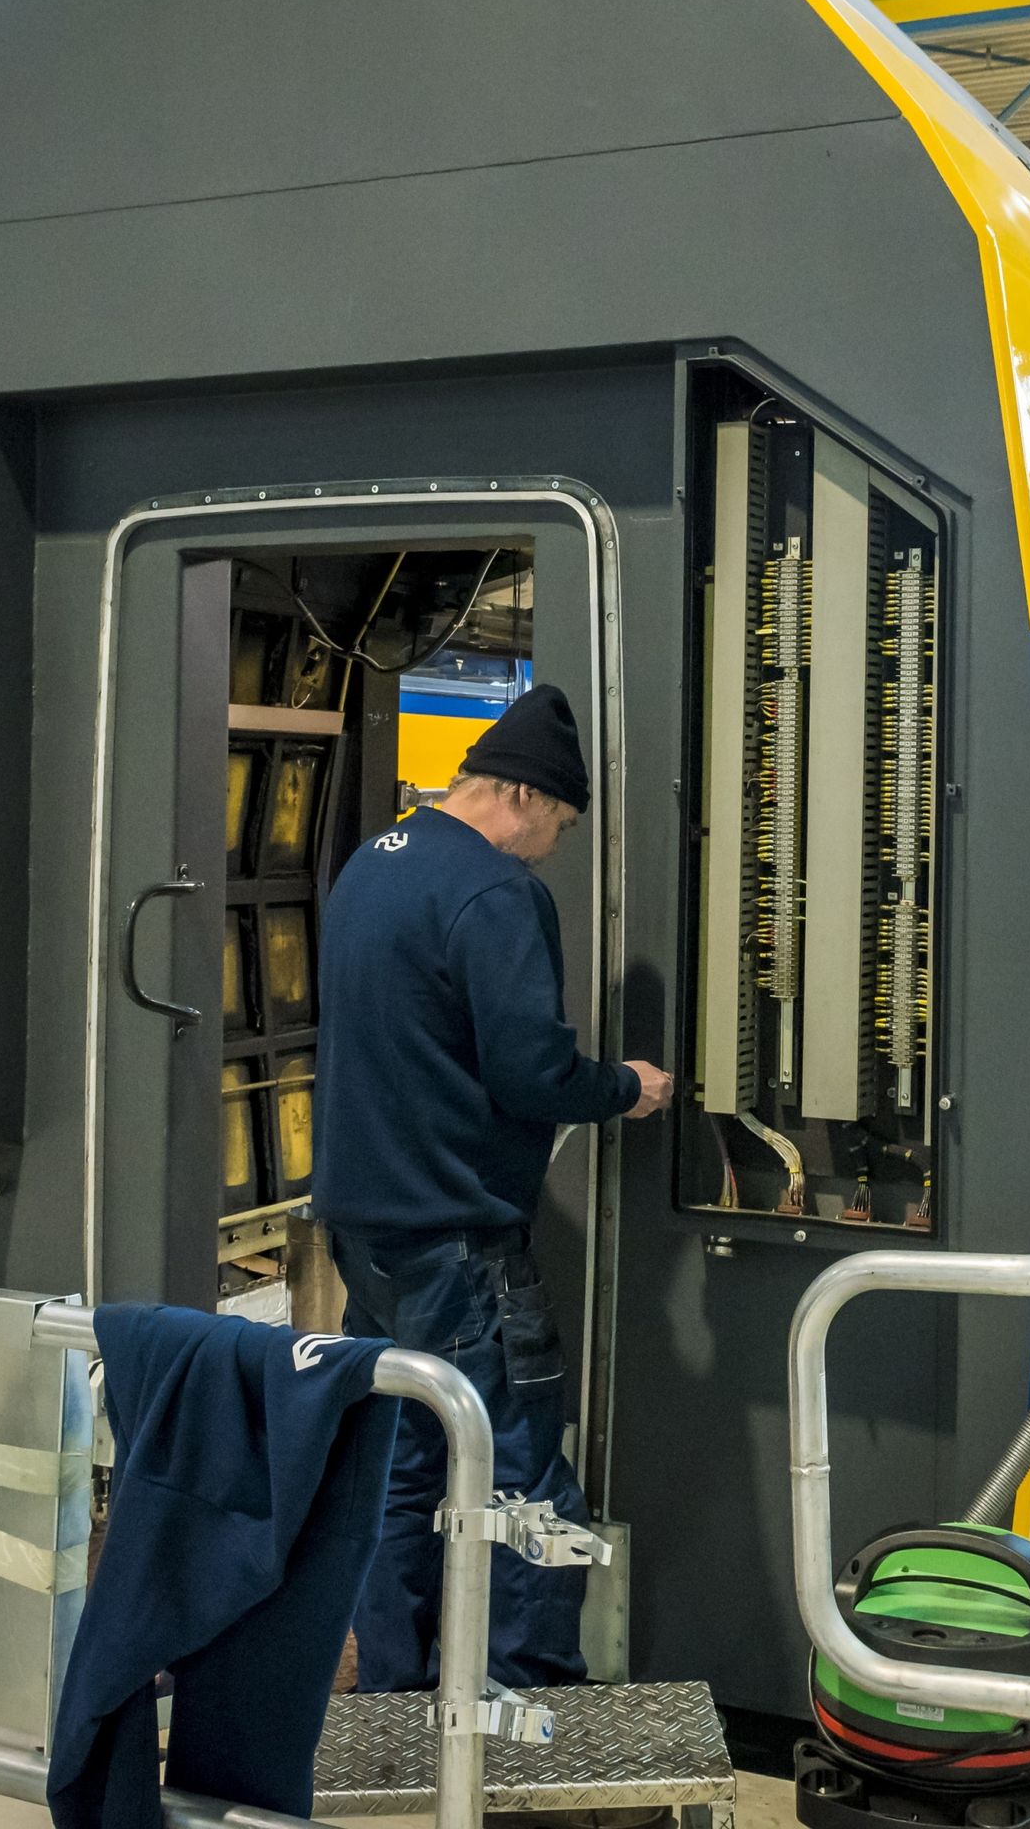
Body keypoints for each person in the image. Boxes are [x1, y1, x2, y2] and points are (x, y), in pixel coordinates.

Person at [312, 682, 672, 1694]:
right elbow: (530, 1072)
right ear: (521, 794)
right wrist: (626, 1088)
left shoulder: (373, 865)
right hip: (458, 1244)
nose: (552, 846)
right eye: (559, 824)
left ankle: (397, 1689)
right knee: (522, 1479)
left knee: (403, 1465)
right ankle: (529, 1700)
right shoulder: (495, 894)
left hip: (365, 1232)